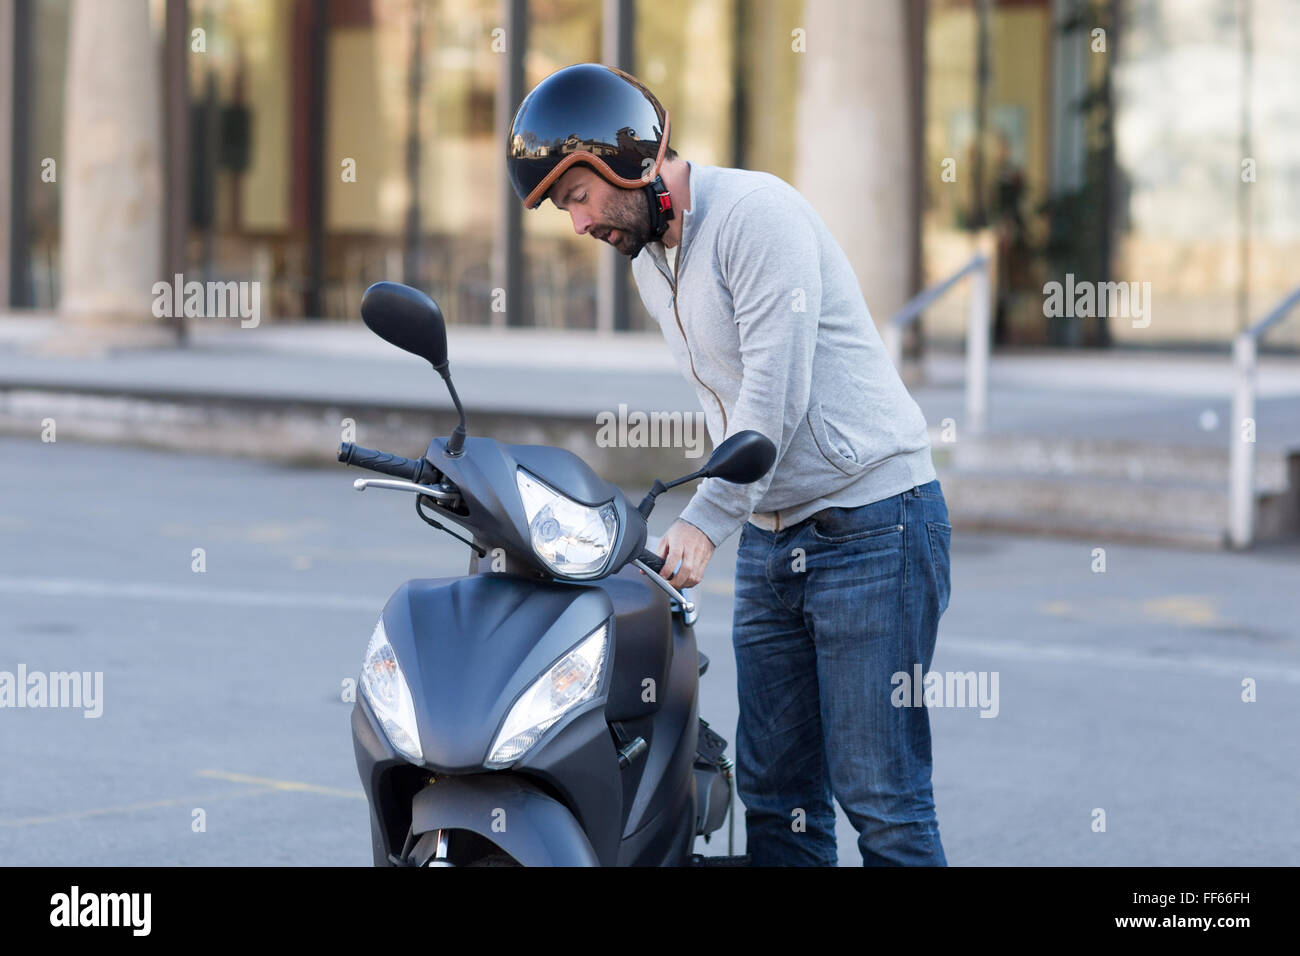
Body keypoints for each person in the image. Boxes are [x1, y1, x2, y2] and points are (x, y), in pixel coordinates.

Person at [507, 63, 951, 866]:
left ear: (627, 158)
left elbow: (774, 391)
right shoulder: (651, 260)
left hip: (875, 523)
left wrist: (707, 522)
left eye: (577, 197)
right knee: (777, 797)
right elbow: (727, 406)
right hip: (779, 535)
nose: (576, 224)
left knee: (881, 800)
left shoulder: (757, 216)